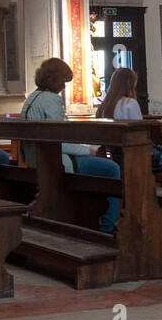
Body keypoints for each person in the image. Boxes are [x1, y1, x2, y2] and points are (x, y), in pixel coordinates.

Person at [21, 58, 120, 233]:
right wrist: (89, 150)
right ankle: (107, 227)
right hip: (55, 163)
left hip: (33, 159)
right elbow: (59, 142)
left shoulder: (32, 97)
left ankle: (90, 216)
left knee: (97, 167)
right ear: (56, 80)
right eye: (64, 82)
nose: (64, 86)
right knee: (112, 169)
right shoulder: (52, 99)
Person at [96, 67, 162, 176]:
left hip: (116, 155)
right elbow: (141, 131)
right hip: (135, 154)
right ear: (130, 84)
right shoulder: (129, 103)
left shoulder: (103, 107)